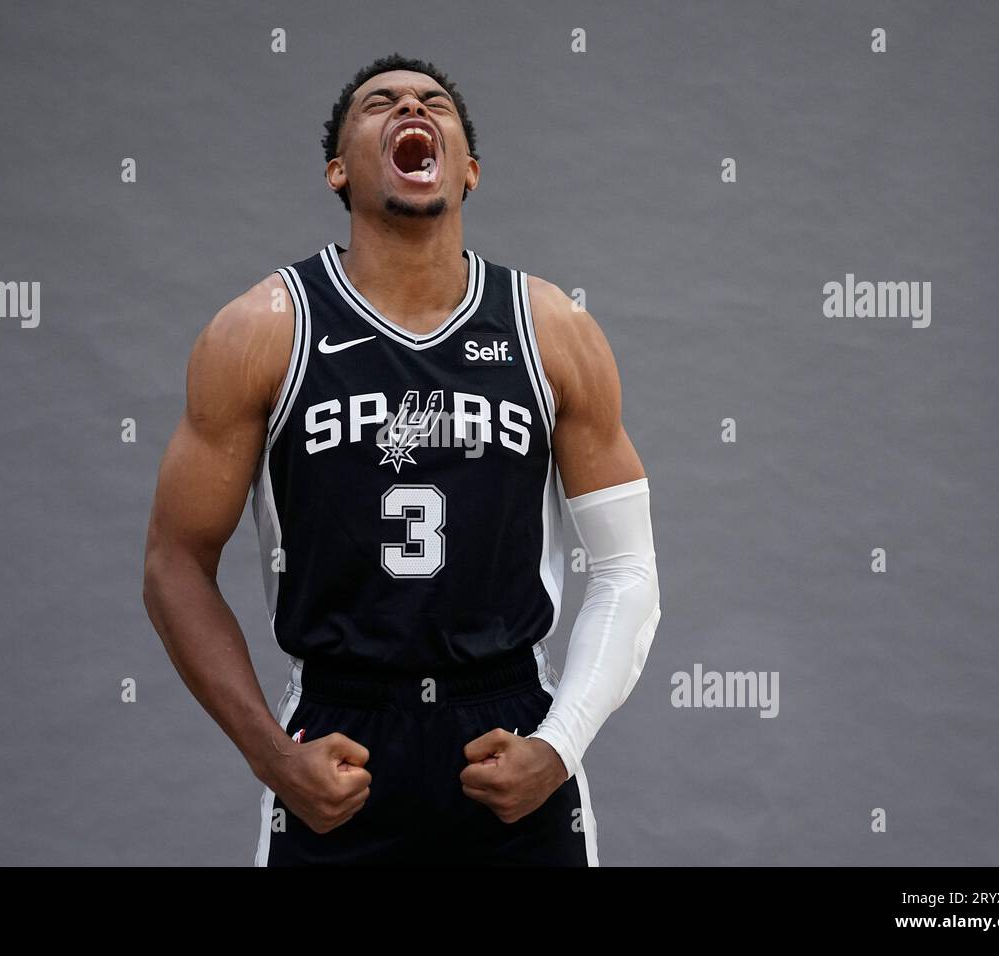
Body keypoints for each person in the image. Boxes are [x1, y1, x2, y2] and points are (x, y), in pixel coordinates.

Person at [142, 53, 662, 866]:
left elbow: (629, 569)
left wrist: (559, 745)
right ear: (338, 169)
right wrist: (274, 758)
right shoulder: (262, 329)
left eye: (436, 104)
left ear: (471, 170)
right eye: (380, 102)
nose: (411, 107)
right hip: (341, 739)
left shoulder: (551, 328)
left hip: (507, 730)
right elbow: (173, 564)